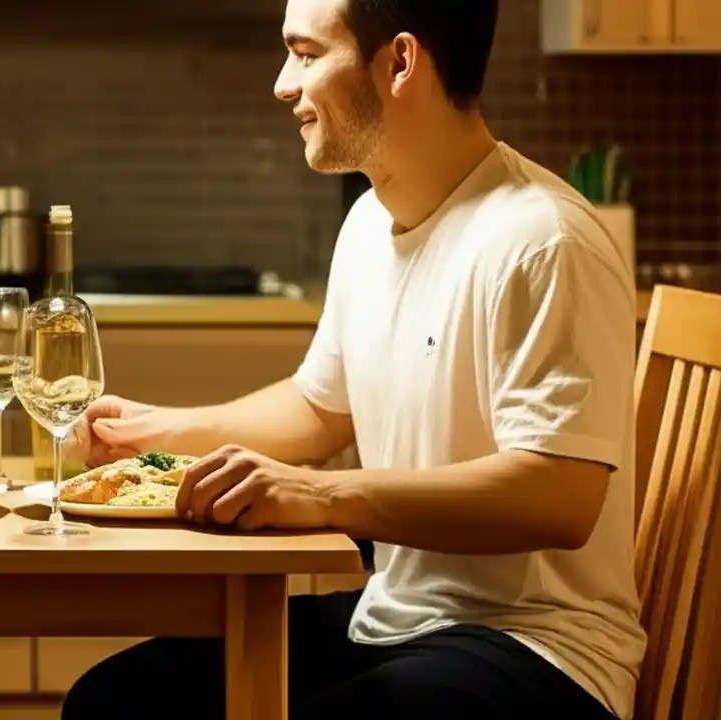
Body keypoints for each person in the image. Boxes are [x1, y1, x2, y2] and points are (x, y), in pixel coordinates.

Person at [62, 0, 644, 718]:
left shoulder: (541, 240)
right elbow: (319, 408)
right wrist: (153, 437)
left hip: (538, 648)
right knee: (117, 702)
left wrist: (323, 496)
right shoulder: (369, 223)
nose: (282, 83)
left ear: (399, 63)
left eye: (306, 54)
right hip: (394, 619)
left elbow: (559, 496)